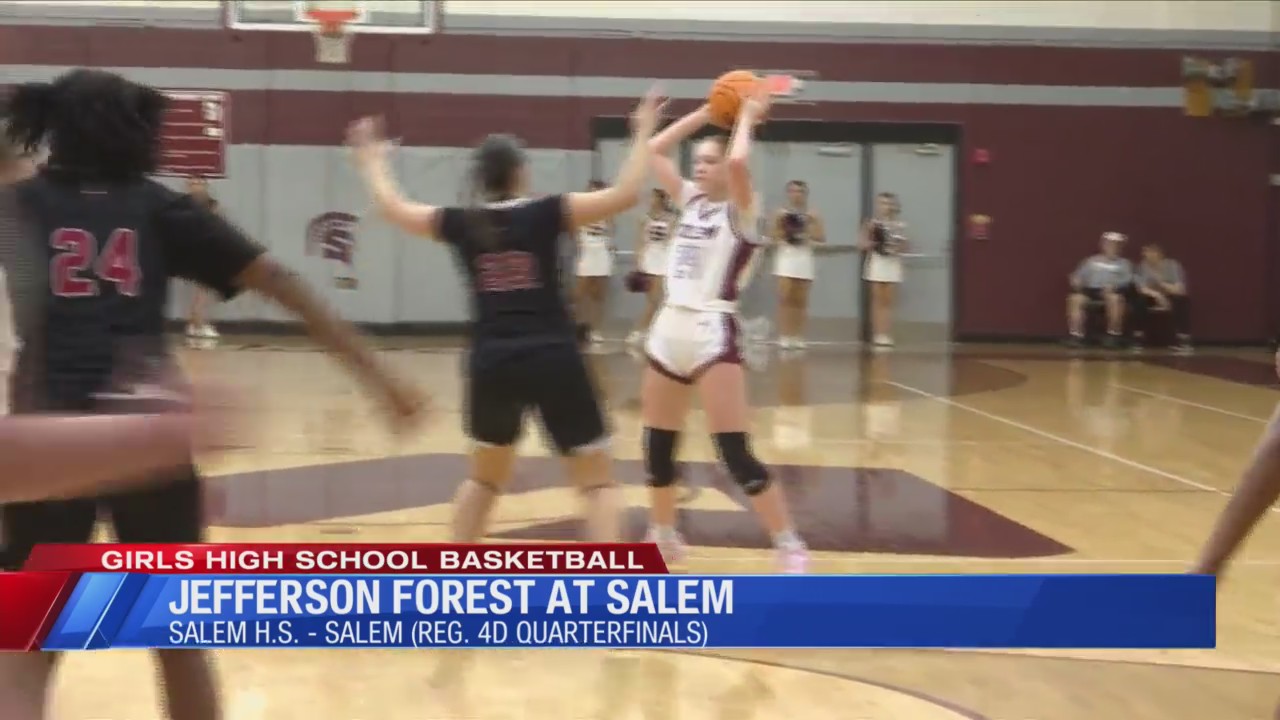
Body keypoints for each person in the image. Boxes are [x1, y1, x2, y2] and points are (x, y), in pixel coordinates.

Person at [0, 69, 425, 720]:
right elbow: (284, 283)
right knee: (178, 640)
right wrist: (380, 378)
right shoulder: (159, 208)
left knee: (26, 648)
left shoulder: (21, 201)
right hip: (147, 435)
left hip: (48, 436)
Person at [347, 87, 664, 548]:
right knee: (596, 484)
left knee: (484, 480)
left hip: (492, 361)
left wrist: (371, 160)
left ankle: (453, 580)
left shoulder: (461, 222)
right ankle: (610, 589)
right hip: (554, 357)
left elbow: (394, 209)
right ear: (520, 172)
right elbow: (627, 193)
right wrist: (642, 134)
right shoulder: (547, 212)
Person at [640, 86, 809, 573]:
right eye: (696, 161)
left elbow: (738, 167)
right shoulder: (690, 201)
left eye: (708, 161)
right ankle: (664, 535)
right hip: (668, 326)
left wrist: (747, 118)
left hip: (712, 329)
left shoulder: (744, 211)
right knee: (657, 448)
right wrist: (704, 112)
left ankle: (788, 543)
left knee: (735, 453)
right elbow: (654, 151)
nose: (700, 167)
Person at [771, 180, 825, 350]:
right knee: (785, 297)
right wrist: (783, 227)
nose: (796, 195)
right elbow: (772, 236)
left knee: (801, 300)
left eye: (800, 191)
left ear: (805, 194)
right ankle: (785, 335)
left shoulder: (813, 213)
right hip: (786, 259)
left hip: (804, 258)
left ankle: (798, 336)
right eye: (793, 191)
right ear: (788, 194)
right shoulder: (780, 213)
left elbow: (821, 237)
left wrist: (811, 223)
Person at [1065, 232, 1132, 348]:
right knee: (1075, 299)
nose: (1111, 247)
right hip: (1090, 290)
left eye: (1115, 245)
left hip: (1111, 291)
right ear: (1103, 245)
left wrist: (1114, 286)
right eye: (1109, 244)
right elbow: (1078, 276)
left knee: (1114, 299)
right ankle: (1076, 335)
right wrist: (1076, 280)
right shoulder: (1091, 261)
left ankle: (1113, 334)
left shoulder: (1124, 264)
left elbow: (1127, 280)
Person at [627, 188, 675, 346]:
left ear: (661, 200)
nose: (650, 200)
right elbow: (640, 241)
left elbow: (673, 240)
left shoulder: (671, 218)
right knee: (652, 299)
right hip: (649, 259)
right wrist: (638, 261)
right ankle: (644, 331)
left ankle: (643, 331)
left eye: (653, 197)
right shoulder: (644, 218)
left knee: (657, 299)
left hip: (664, 259)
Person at [858, 192, 907, 348]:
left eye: (889, 203)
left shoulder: (899, 225)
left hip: (892, 263)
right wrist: (873, 241)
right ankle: (878, 334)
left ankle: (886, 333)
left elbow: (905, 246)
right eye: (882, 203)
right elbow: (862, 244)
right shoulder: (871, 224)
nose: (886, 206)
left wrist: (896, 246)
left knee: (888, 301)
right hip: (877, 263)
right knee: (878, 301)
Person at [574, 179, 615, 346]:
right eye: (591, 190)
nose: (593, 194)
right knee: (579, 295)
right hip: (586, 254)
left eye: (597, 191)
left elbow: (611, 233)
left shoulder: (608, 213)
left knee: (598, 296)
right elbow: (575, 232)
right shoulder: (580, 210)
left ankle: (595, 330)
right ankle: (578, 328)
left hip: (601, 254)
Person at [1131, 243, 1192, 352]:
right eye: (1145, 253)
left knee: (1182, 300)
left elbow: (1180, 289)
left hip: (1170, 295)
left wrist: (1161, 284)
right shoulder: (1142, 267)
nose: (1147, 255)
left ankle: (1183, 339)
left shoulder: (1172, 266)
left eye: (1150, 252)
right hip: (1152, 296)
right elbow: (1142, 288)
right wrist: (1159, 296)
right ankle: (1138, 337)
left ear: (1159, 254)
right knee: (1139, 301)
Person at [183, 176, 220, 345]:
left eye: (200, 182)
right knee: (203, 286)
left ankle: (195, 322)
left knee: (204, 286)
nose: (196, 186)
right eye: (193, 183)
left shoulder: (212, 205)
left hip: (203, 248)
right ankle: (196, 322)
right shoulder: (180, 205)